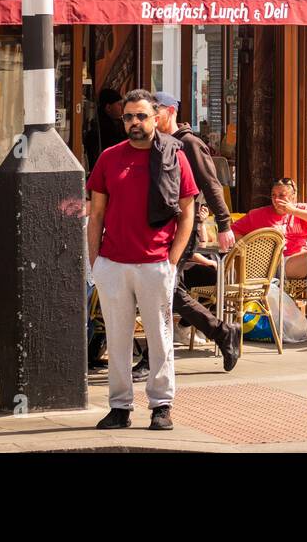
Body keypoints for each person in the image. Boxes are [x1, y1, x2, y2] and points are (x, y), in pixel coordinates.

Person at [87, 89, 198, 431]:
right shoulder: (109, 157)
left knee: (160, 336)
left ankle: (161, 406)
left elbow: (187, 212)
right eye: (128, 117)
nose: (135, 122)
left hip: (155, 264)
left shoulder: (173, 156)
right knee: (118, 338)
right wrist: (96, 263)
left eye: (141, 116)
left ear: (156, 117)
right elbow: (97, 214)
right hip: (114, 263)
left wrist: (172, 260)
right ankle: (119, 407)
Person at [152, 92, 241, 370]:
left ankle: (219, 332)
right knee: (163, 289)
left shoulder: (189, 144)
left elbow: (211, 184)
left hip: (183, 228)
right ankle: (221, 332)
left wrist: (224, 224)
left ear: (170, 111)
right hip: (161, 229)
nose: (151, 117)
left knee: (165, 290)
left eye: (156, 111)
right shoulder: (158, 144)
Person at [233, 178, 307, 339]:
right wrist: (250, 247)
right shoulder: (260, 214)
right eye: (274, 195)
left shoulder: (300, 210)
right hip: (278, 264)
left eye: (282, 195)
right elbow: (233, 231)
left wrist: (293, 211)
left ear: (293, 197)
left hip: (302, 261)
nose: (277, 199)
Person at [85, 87, 127, 168]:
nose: (122, 108)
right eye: (119, 104)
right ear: (108, 107)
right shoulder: (101, 126)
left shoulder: (120, 122)